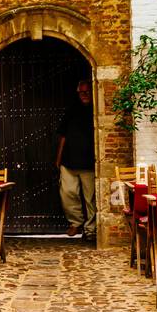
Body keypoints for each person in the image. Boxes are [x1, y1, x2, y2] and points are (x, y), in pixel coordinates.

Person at [55, 80, 95, 239]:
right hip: (69, 161)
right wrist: (58, 157)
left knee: (90, 198)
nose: (84, 95)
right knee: (67, 194)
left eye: (86, 92)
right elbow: (63, 135)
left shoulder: (95, 109)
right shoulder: (72, 110)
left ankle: (91, 229)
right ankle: (75, 223)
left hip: (89, 163)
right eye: (81, 92)